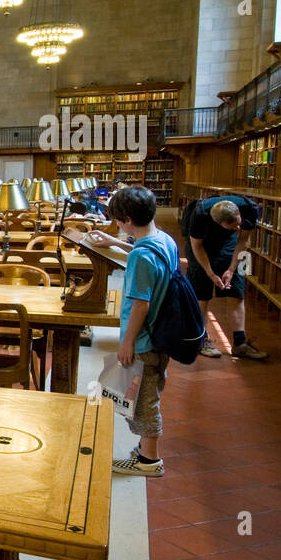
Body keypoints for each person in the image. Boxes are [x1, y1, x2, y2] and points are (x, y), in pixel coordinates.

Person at [87, 185, 179, 477]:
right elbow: (144, 253)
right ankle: (144, 450)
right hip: (162, 333)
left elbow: (140, 303)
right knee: (150, 391)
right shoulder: (164, 240)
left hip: (144, 339)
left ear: (126, 219)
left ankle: (149, 461)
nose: (115, 224)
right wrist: (115, 244)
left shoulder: (141, 257)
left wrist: (127, 343)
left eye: (117, 220)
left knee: (144, 400)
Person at [186, 195, 266, 359]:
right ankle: (202, 340)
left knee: (238, 291)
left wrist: (231, 269)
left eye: (239, 223)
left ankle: (240, 343)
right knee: (202, 295)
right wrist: (210, 273)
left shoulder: (249, 208)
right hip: (201, 247)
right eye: (232, 226)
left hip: (232, 245)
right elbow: (196, 246)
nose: (238, 227)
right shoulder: (199, 215)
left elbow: (244, 240)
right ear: (219, 224)